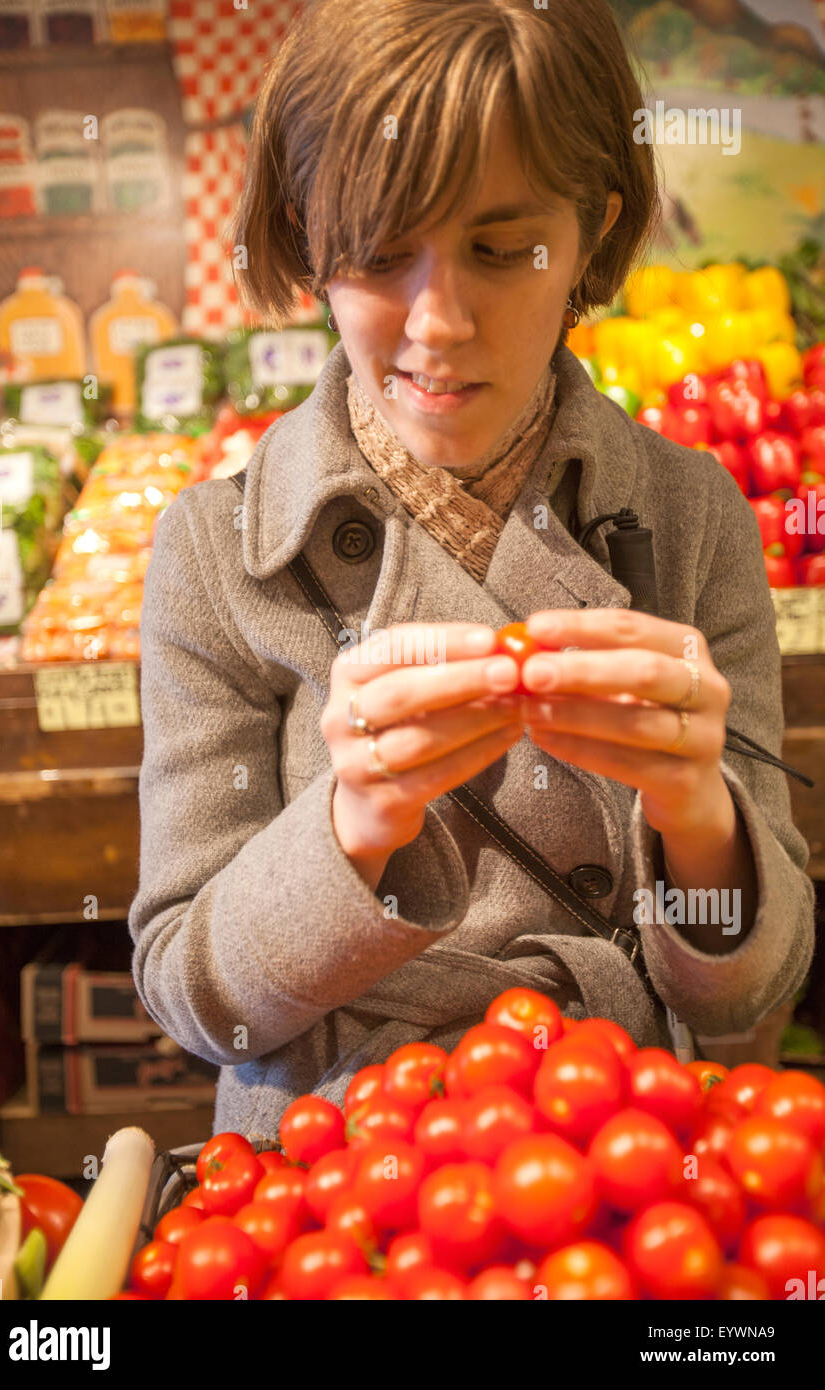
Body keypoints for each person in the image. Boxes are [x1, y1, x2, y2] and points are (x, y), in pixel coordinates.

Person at [128, 0, 814, 1138]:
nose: (436, 323)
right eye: (378, 254)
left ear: (591, 233)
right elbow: (194, 998)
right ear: (305, 233)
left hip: (610, 1155)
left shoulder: (690, 517)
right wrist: (351, 825)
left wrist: (699, 810)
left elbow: (752, 992)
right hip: (337, 1175)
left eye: (501, 251)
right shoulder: (216, 551)